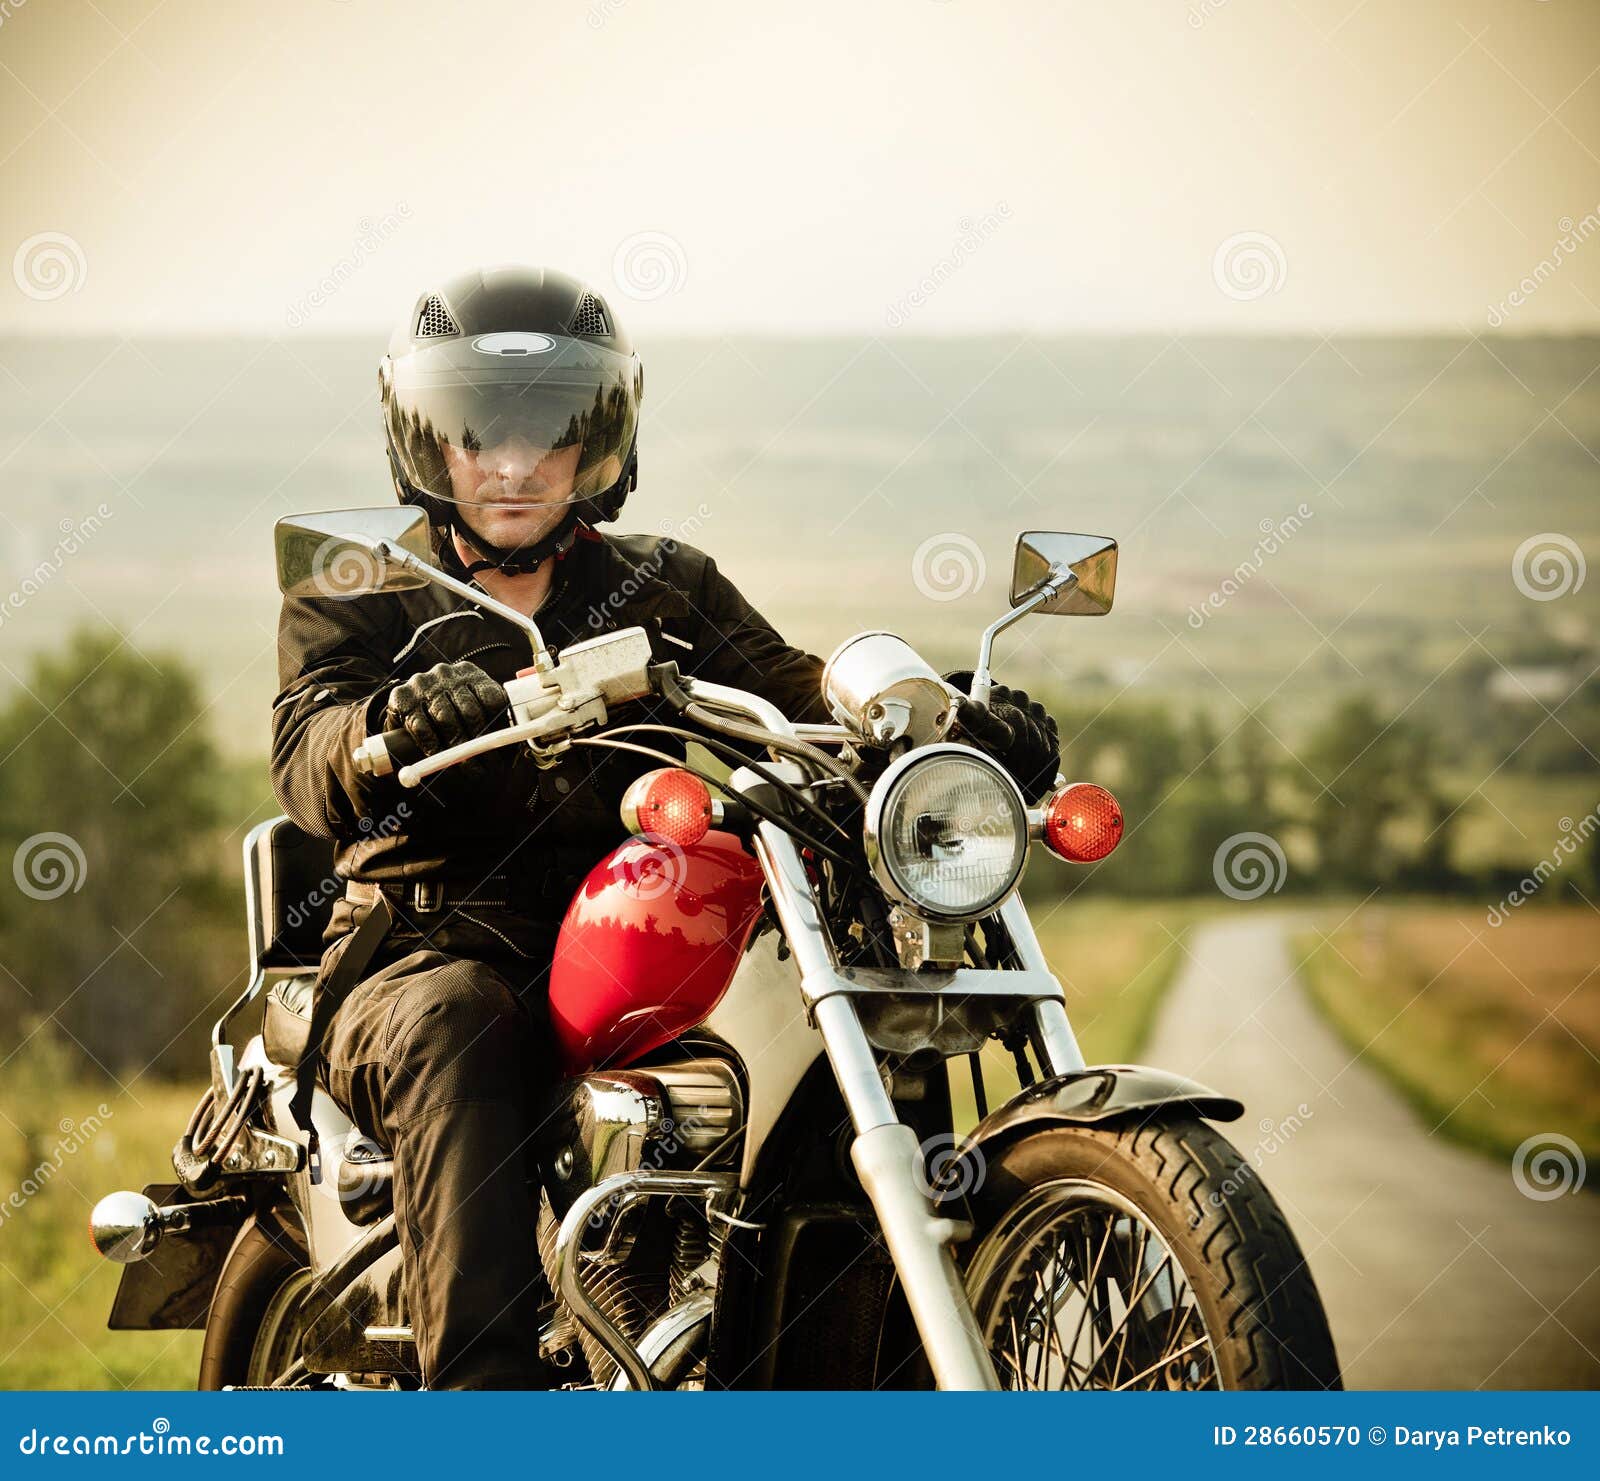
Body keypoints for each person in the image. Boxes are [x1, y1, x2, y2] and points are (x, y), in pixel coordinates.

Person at [270, 264, 1059, 1389]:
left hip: (639, 931)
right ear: (426, 441)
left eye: (550, 435)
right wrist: (386, 723)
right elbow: (308, 750)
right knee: (462, 1022)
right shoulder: (357, 588)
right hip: (420, 946)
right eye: (481, 434)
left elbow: (795, 689)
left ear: (599, 442)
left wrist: (947, 727)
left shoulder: (661, 583)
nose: (513, 465)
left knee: (814, 1016)